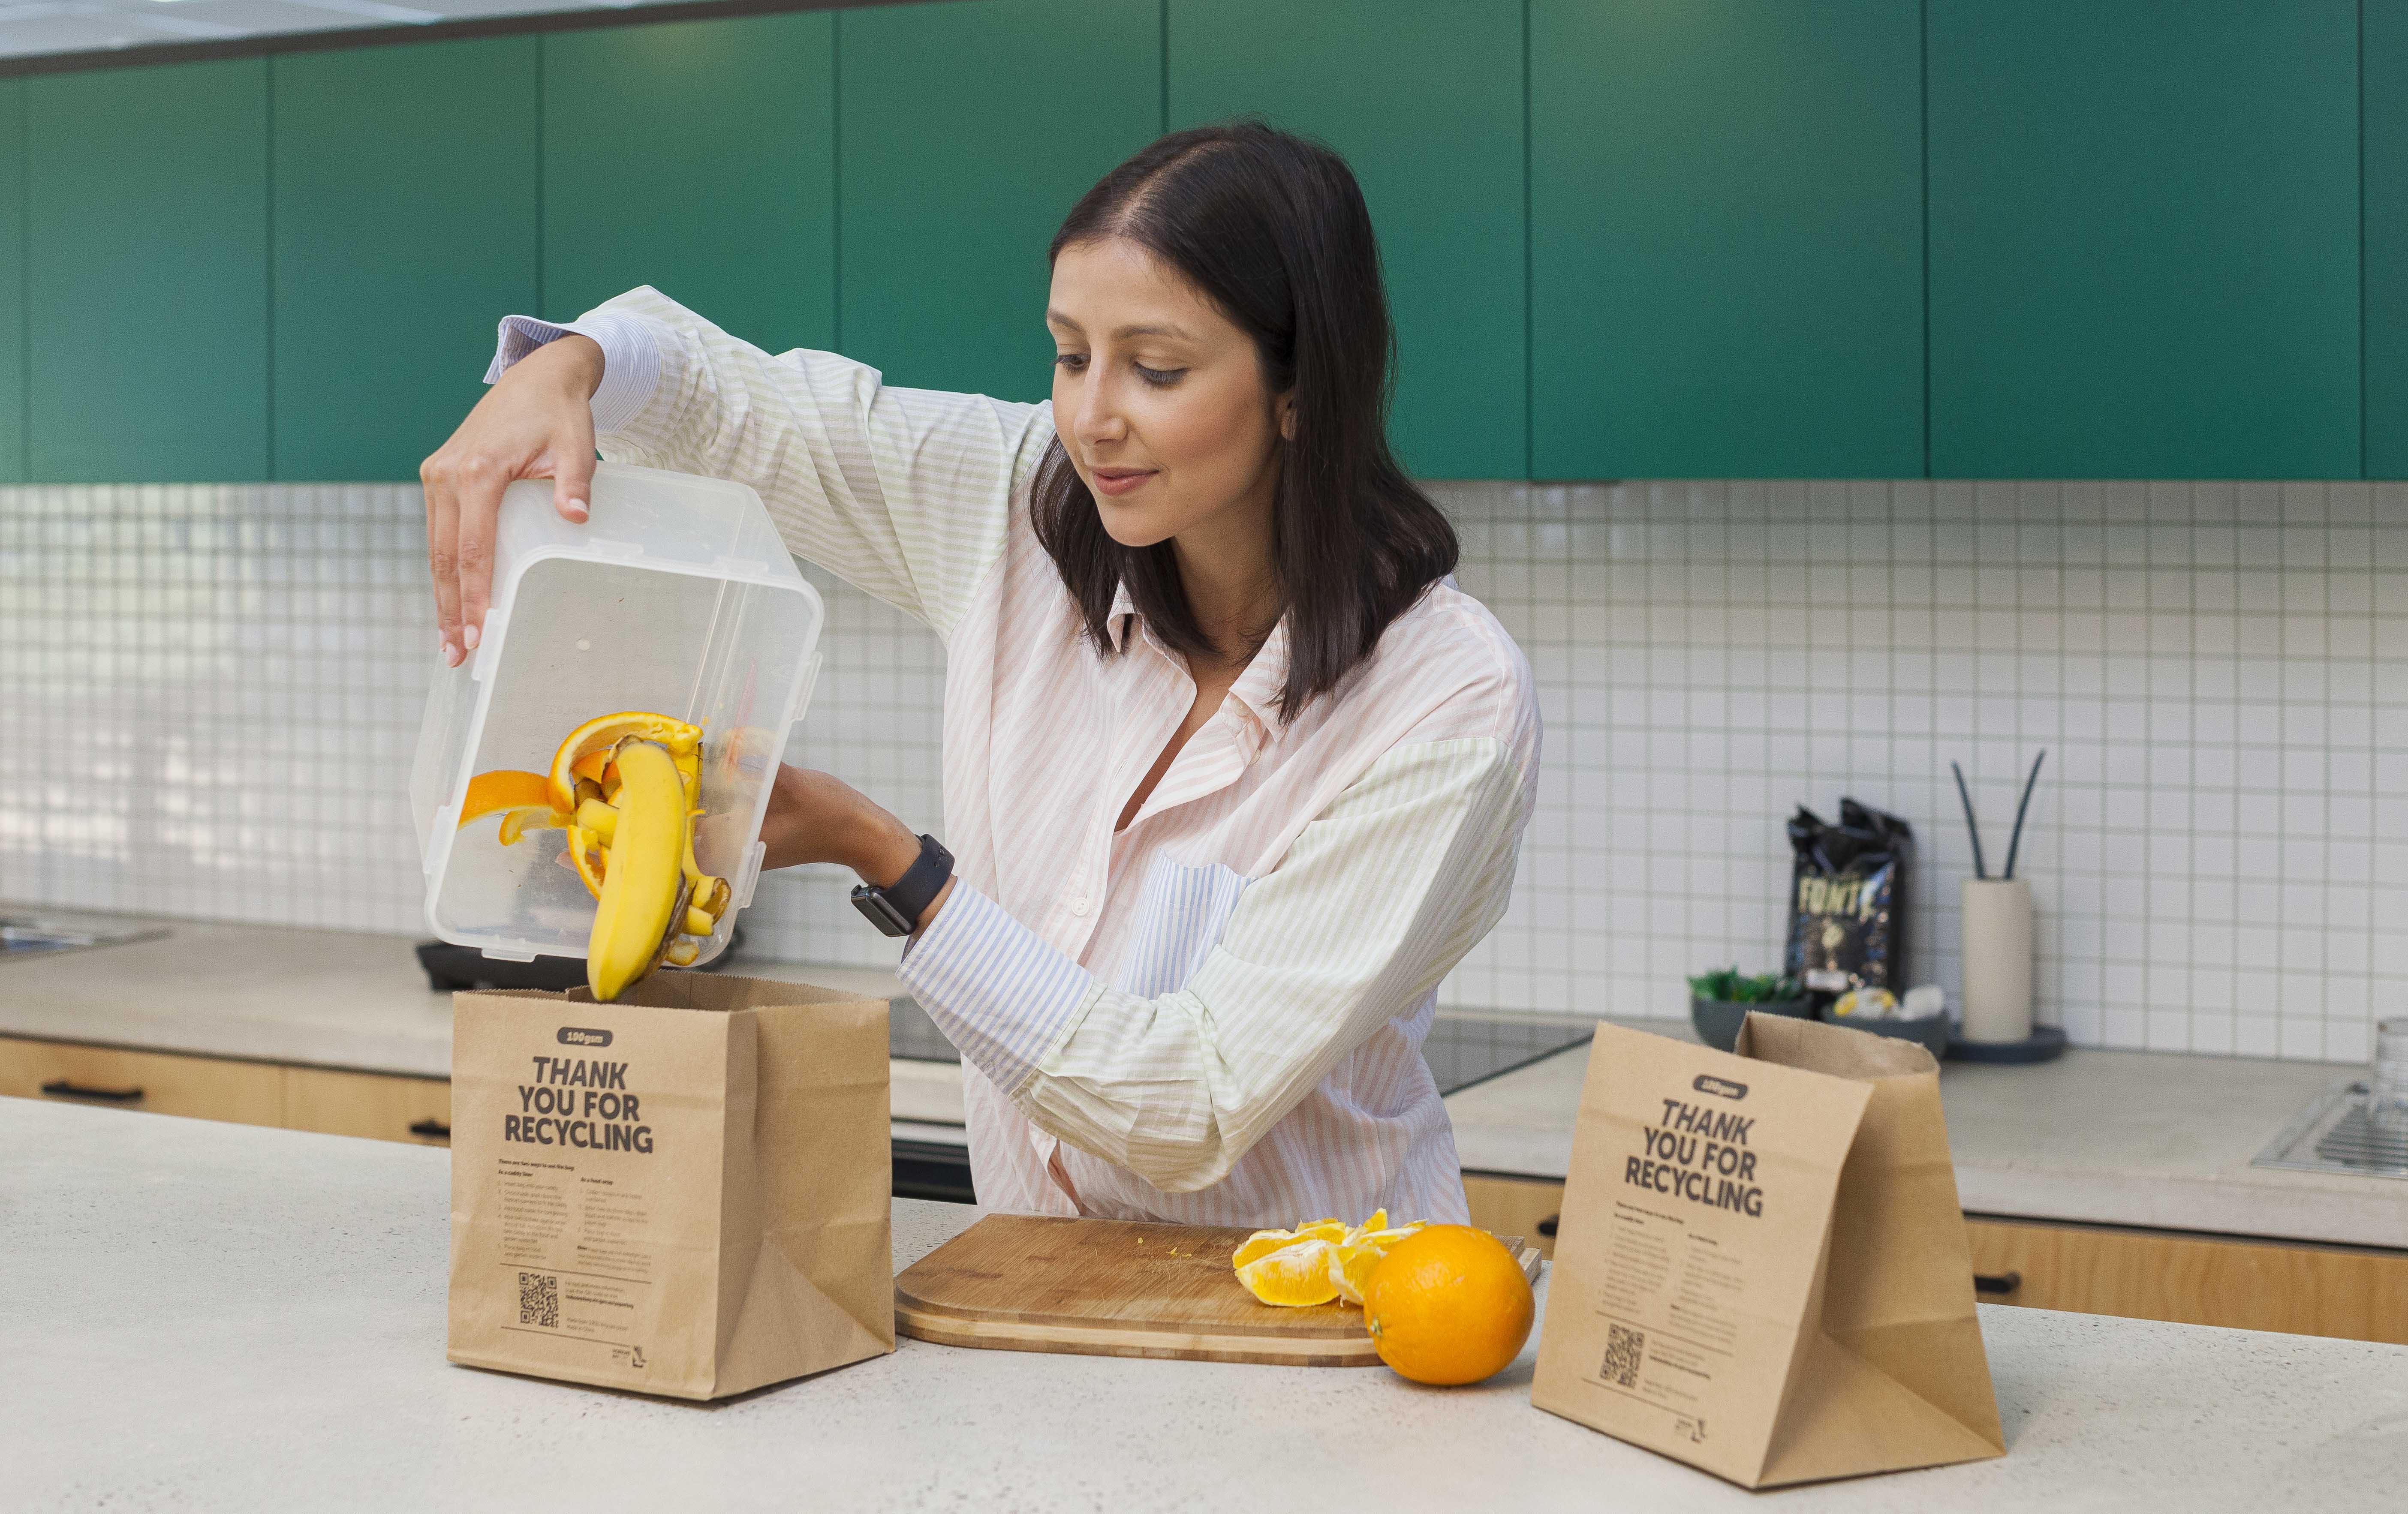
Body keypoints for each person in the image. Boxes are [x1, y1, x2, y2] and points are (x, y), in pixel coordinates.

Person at [420, 123, 1538, 1226]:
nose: (1093, 418)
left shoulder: (1446, 701)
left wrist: (887, 857)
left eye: (1156, 368)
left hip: (1328, 1337)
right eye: (1069, 353)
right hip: (1034, 1315)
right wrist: (572, 364)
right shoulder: (1023, 504)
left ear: (1301, 389)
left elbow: (1193, 1101)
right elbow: (754, 415)